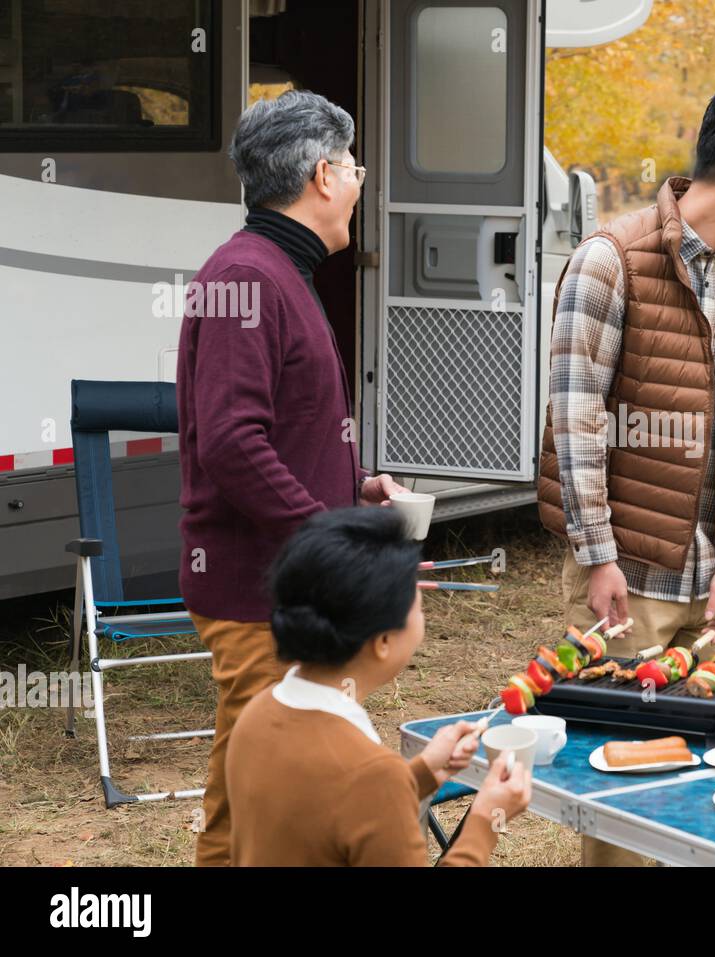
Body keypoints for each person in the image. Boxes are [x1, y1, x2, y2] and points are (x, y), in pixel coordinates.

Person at [536, 81, 715, 865]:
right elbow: (575, 422)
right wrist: (598, 556)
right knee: (627, 797)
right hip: (628, 580)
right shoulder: (608, 262)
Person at [176, 90, 406, 866]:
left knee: (241, 792)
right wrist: (327, 532)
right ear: (322, 175)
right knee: (252, 802)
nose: (360, 182)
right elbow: (232, 444)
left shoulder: (277, 269)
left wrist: (354, 485)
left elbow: (279, 427)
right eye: (355, 167)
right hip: (254, 592)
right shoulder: (248, 275)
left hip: (277, 584)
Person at [225, 507, 532, 866]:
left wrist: (422, 773)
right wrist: (484, 822)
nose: (424, 617)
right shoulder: (372, 776)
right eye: (419, 608)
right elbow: (362, 794)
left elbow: (328, 812)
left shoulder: (256, 715)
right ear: (383, 641)